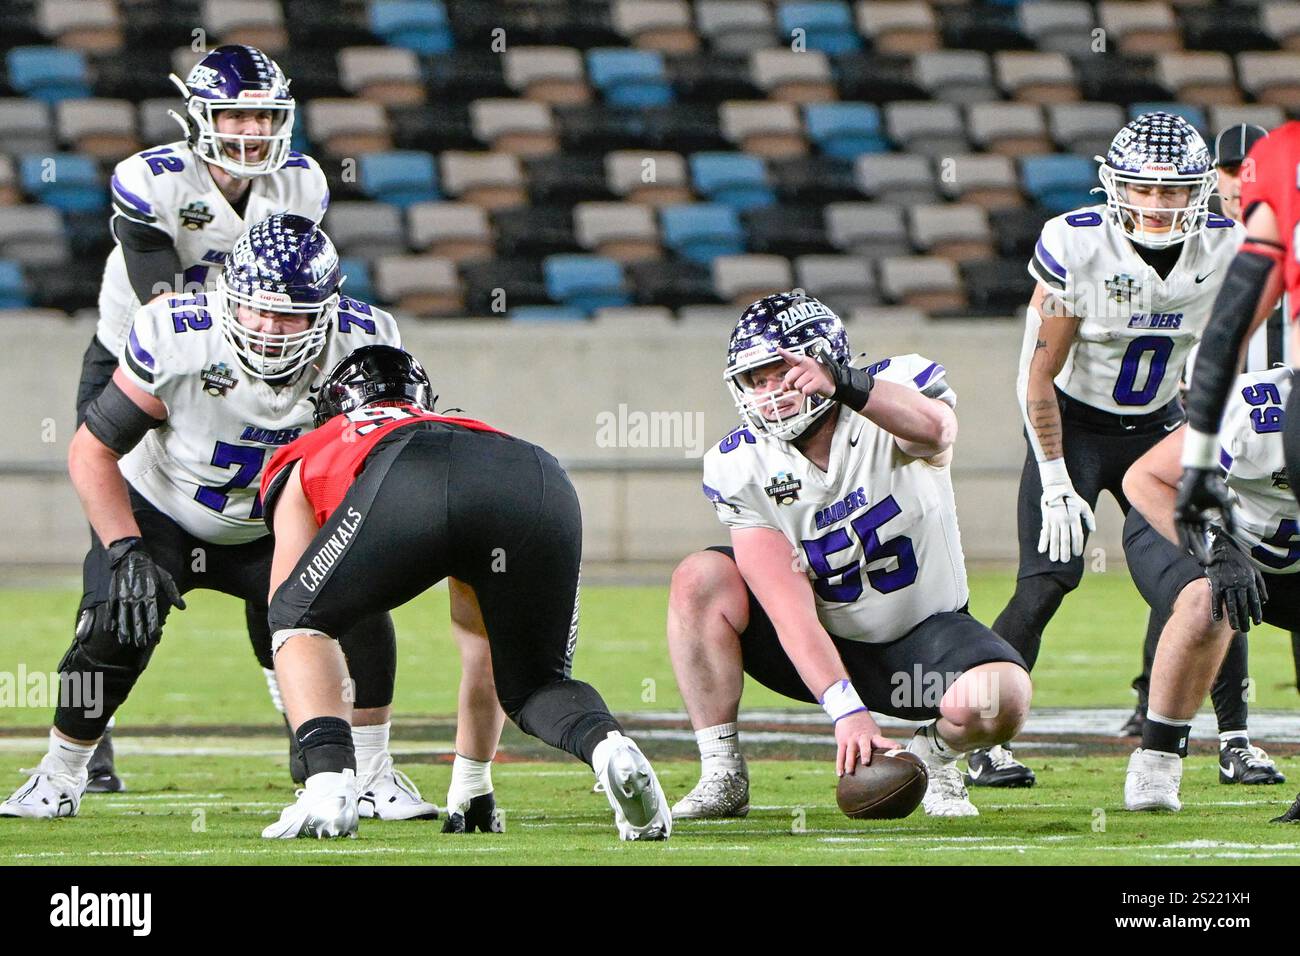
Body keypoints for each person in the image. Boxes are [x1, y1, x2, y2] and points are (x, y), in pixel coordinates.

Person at [0, 216, 447, 822]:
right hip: (164, 508)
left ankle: (370, 773)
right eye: (256, 309)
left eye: (290, 315)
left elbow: (378, 460)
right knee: (115, 618)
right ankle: (59, 772)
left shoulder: (365, 343)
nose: (268, 330)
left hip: (277, 520)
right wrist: (125, 550)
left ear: (328, 309)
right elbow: (92, 448)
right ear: (228, 295)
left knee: (359, 611)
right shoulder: (177, 335)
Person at [255, 346, 671, 841]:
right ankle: (609, 748)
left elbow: (295, 607)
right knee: (535, 684)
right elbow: (480, 648)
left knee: (295, 618)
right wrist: (470, 785)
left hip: (409, 471)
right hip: (538, 477)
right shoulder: (462, 427)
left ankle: (328, 790)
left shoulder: (318, 444)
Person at [666, 291, 1031, 820]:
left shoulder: (892, 393)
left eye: (779, 371)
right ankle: (722, 770)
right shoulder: (741, 465)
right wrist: (846, 712)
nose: (769, 392)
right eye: (755, 379)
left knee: (1004, 696)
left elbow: (938, 431)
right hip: (823, 641)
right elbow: (787, 609)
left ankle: (934, 759)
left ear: (822, 360)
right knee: (700, 576)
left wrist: (847, 384)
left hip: (924, 636)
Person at [76, 43, 329, 790]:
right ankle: (88, 735)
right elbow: (164, 311)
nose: (252, 131)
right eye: (236, 113)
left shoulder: (301, 184)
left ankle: (302, 713)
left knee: (283, 539)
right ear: (200, 117)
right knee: (119, 555)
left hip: (254, 368)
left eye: (264, 114)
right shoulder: (151, 180)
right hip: (141, 363)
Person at [972, 112, 1245, 787]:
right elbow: (1038, 376)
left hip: (1159, 429)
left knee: (1209, 579)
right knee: (1046, 583)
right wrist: (1058, 477)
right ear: (1115, 188)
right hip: (1075, 428)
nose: (1158, 205)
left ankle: (1230, 739)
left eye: (1174, 191)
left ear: (1198, 192)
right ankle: (978, 735)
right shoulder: (1079, 245)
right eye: (1144, 190)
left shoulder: (1228, 246)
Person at [1116, 123, 1285, 785]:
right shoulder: (1195, 246)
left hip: (1267, 436)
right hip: (1222, 433)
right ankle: (1189, 737)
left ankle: (1228, 734)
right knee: (1213, 578)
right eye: (1231, 177)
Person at [1122, 366, 1297, 822]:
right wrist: (1215, 547)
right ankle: (1157, 762)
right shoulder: (1251, 412)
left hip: (1284, 556)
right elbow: (1143, 479)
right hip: (1189, 525)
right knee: (1206, 599)